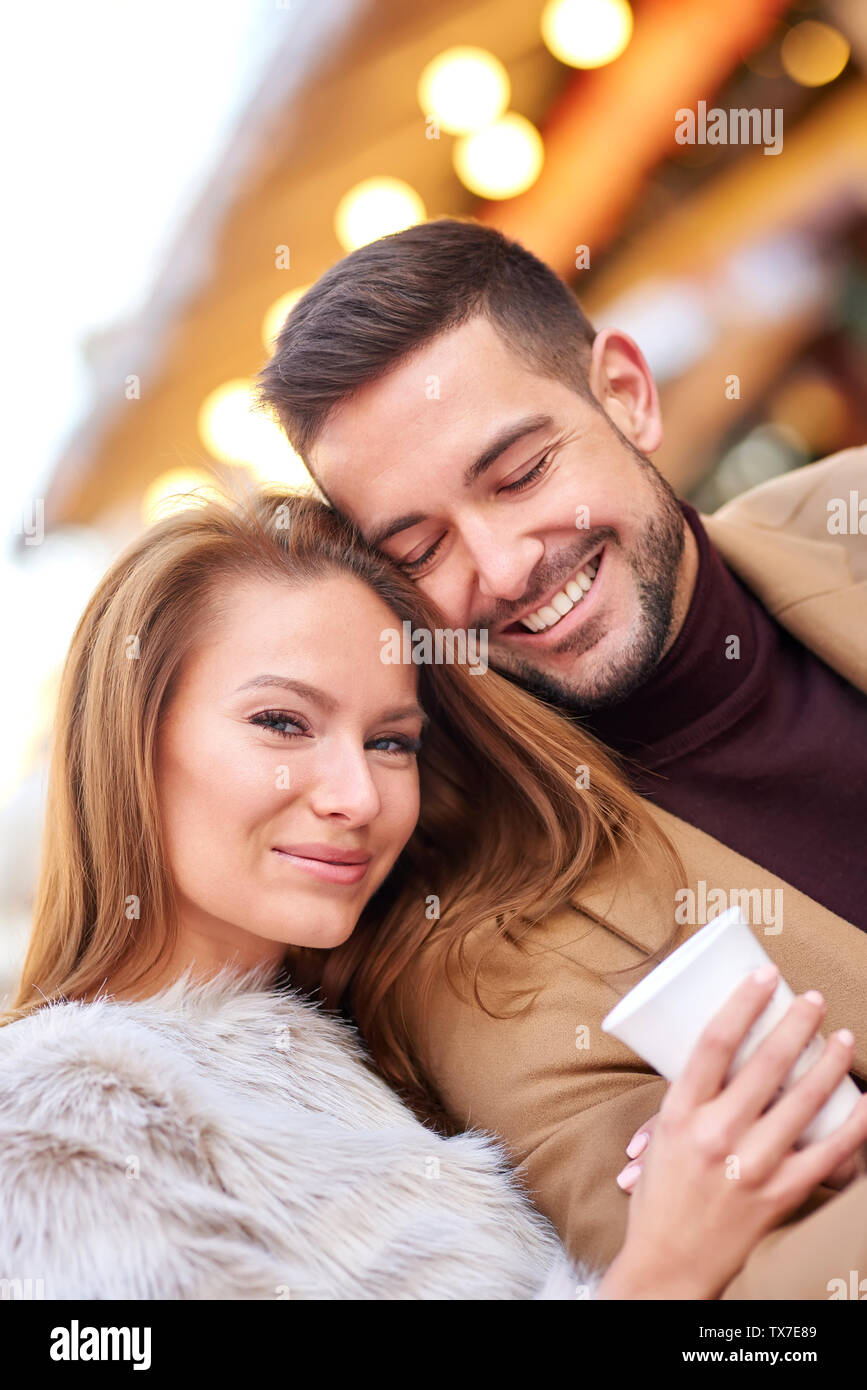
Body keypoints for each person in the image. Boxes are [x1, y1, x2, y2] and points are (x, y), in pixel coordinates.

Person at [3, 488, 865, 1300]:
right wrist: (664, 1271)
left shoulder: (382, 1049)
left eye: (390, 741)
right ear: (129, 738)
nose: (360, 796)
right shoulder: (55, 1127)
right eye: (282, 723)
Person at [255, 217, 867, 1298]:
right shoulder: (485, 968)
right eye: (420, 548)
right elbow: (777, 1293)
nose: (502, 567)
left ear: (626, 392)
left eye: (520, 472)